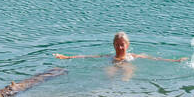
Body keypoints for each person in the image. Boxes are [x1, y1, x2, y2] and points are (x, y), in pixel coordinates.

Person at [54, 31, 186, 63]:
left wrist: (175, 60)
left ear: (127, 45)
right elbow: (86, 56)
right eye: (117, 45)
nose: (120, 48)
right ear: (113, 45)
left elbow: (155, 59)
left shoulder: (132, 56)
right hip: (114, 64)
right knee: (109, 73)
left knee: (127, 73)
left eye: (122, 45)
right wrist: (66, 57)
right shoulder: (109, 56)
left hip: (127, 65)